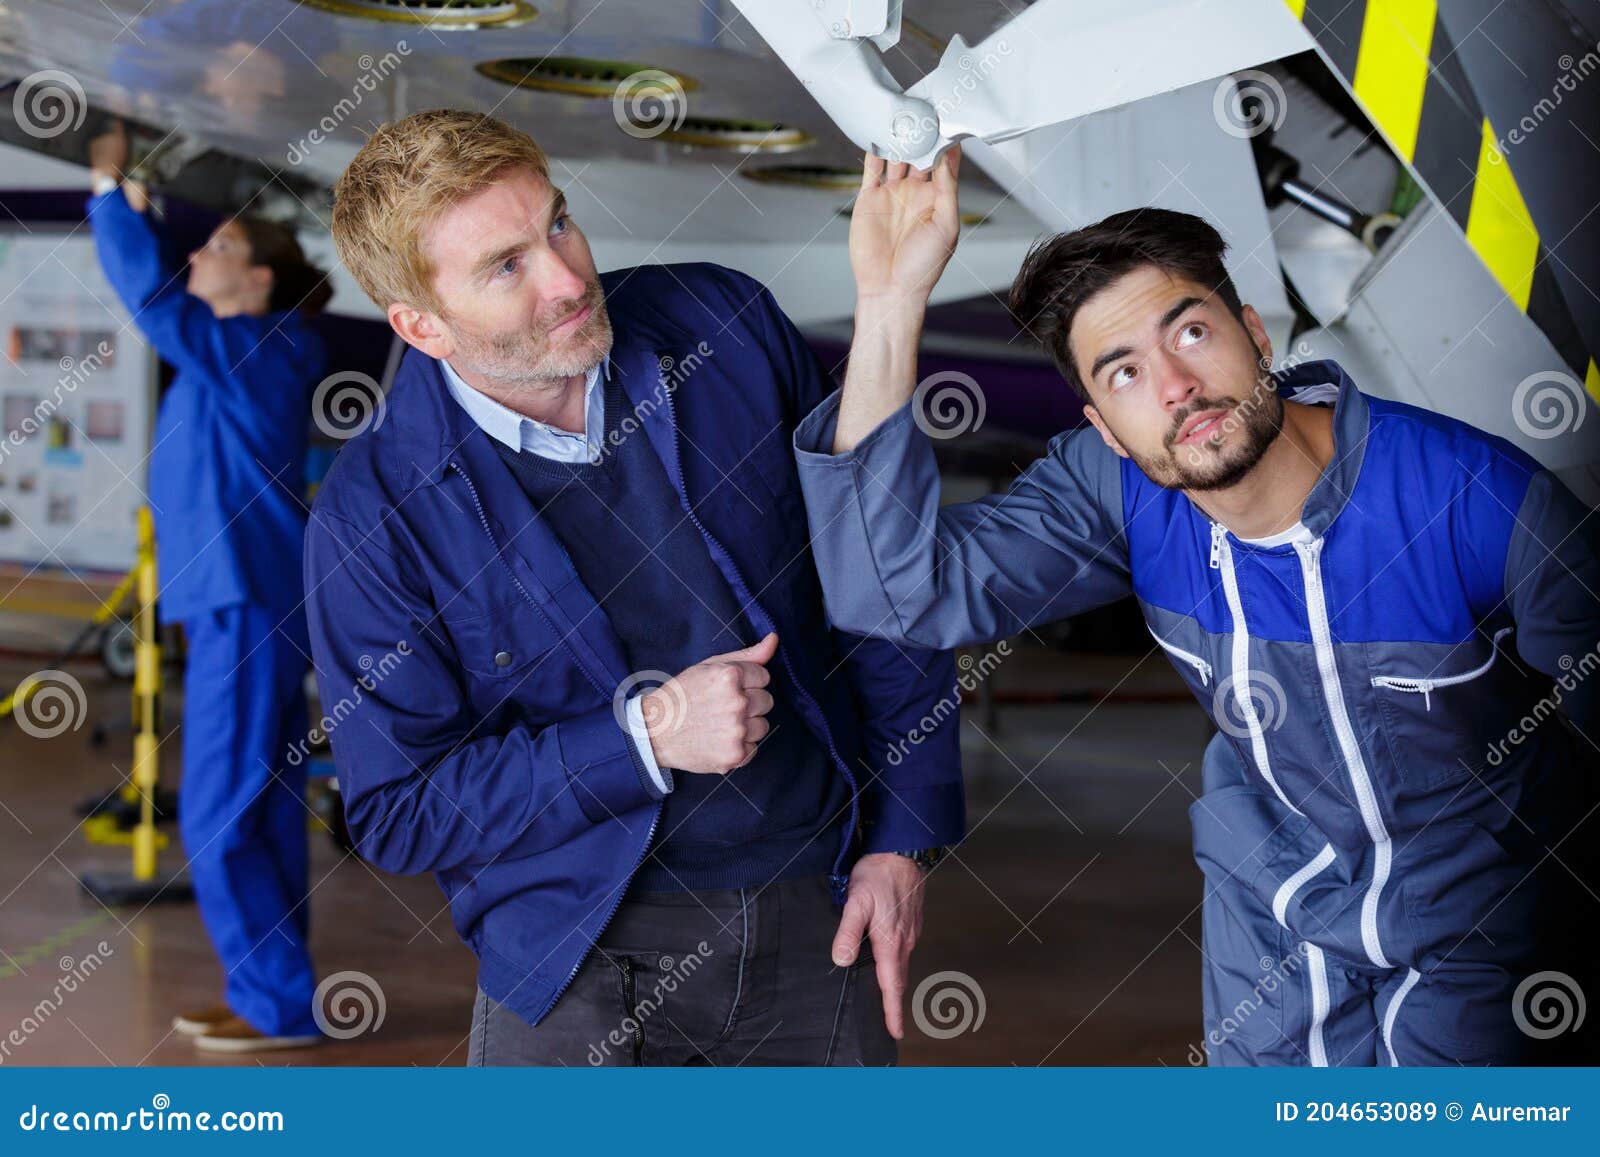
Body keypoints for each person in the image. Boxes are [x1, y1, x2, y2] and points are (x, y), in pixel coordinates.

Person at [793, 154, 1600, 1065]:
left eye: (1191, 334)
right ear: (1101, 425)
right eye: (1125, 374)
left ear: (1255, 335)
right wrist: (893, 298)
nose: (1175, 387)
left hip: (1485, 935)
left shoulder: (1474, 499)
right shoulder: (1120, 490)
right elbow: (887, 589)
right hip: (1276, 936)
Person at [303, 110, 964, 1065]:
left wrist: (903, 837)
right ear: (420, 325)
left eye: (558, 224)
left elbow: (883, 568)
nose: (570, 279)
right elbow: (402, 810)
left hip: (815, 916)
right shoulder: (374, 514)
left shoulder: (725, 329)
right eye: (506, 266)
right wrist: (641, 739)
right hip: (575, 954)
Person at [87, 121, 333, 1054]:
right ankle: (278, 997)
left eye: (222, 245)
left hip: (246, 605)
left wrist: (112, 195)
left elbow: (153, 298)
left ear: (262, 278)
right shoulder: (234, 354)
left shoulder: (264, 348)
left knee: (221, 806)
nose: (201, 252)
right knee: (259, 803)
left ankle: (274, 1001)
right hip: (237, 601)